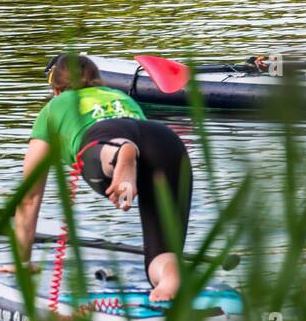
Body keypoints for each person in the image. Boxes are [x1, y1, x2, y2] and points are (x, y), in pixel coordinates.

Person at [11, 54, 192, 302]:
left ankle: (121, 153)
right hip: (166, 142)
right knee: (162, 253)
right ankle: (169, 277)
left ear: (56, 89)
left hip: (110, 141)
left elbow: (30, 196)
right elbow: (134, 128)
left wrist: (22, 260)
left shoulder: (54, 107)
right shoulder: (120, 97)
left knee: (108, 146)